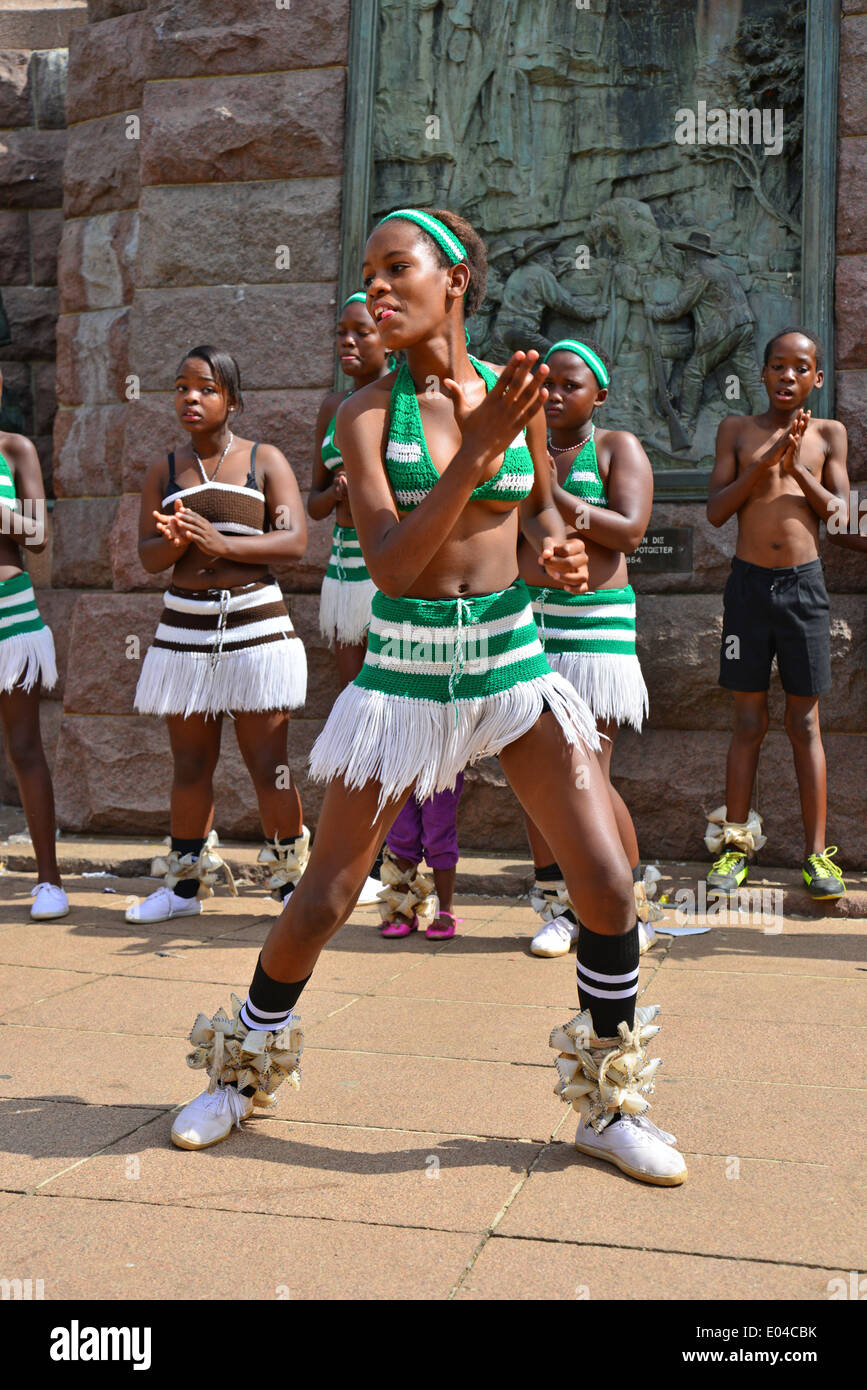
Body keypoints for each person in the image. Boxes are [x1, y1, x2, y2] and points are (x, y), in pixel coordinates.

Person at [171, 209, 686, 1187]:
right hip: (404, 679)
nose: (374, 287)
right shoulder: (363, 416)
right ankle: (237, 1073)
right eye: (366, 272)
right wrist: (472, 455)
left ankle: (609, 1104)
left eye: (395, 267)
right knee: (324, 897)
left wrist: (561, 554)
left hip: (511, 667)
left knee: (609, 884)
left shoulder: (513, 393)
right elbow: (397, 569)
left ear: (454, 281)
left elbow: (538, 522)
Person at [128, 346, 310, 924]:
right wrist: (180, 541)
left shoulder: (265, 460)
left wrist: (223, 543)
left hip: (256, 625)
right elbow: (148, 557)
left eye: (205, 388)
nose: (190, 398)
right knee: (189, 764)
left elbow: (294, 542)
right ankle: (183, 887)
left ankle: (288, 885)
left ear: (232, 399)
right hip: (185, 628)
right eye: (181, 387)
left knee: (268, 764)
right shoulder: (164, 468)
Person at [517, 339, 658, 956]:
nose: (553, 395)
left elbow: (628, 531)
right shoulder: (520, 449)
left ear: (599, 395)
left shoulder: (615, 447)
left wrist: (551, 495)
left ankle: (626, 904)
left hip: (595, 631)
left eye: (569, 385)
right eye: (546, 384)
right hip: (526, 628)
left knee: (586, 775)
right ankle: (559, 906)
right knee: (534, 777)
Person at [705, 327, 850, 900]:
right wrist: (764, 463)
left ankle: (817, 857)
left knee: (805, 722)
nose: (787, 376)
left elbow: (840, 516)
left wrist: (798, 471)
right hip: (747, 590)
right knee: (747, 721)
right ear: (762, 374)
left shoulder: (829, 434)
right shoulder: (736, 432)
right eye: (777, 366)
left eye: (800, 368)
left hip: (803, 590)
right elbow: (716, 511)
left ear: (816, 377)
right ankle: (735, 845)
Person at [0, 369, 66, 920]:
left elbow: (40, 534)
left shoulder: (14, 448)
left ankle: (50, 880)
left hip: (11, 616)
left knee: (24, 746)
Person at [309, 293, 390, 687]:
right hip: (343, 568)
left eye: (362, 331)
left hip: (387, 567)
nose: (347, 341)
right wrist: (338, 492)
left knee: (393, 698)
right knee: (352, 699)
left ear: (389, 339)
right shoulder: (333, 406)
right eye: (341, 332)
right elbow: (314, 504)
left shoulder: (403, 400)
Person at [378, 774, 465, 940]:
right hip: (399, 755)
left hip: (442, 756)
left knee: (439, 830)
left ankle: (445, 909)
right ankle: (403, 908)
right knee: (401, 830)